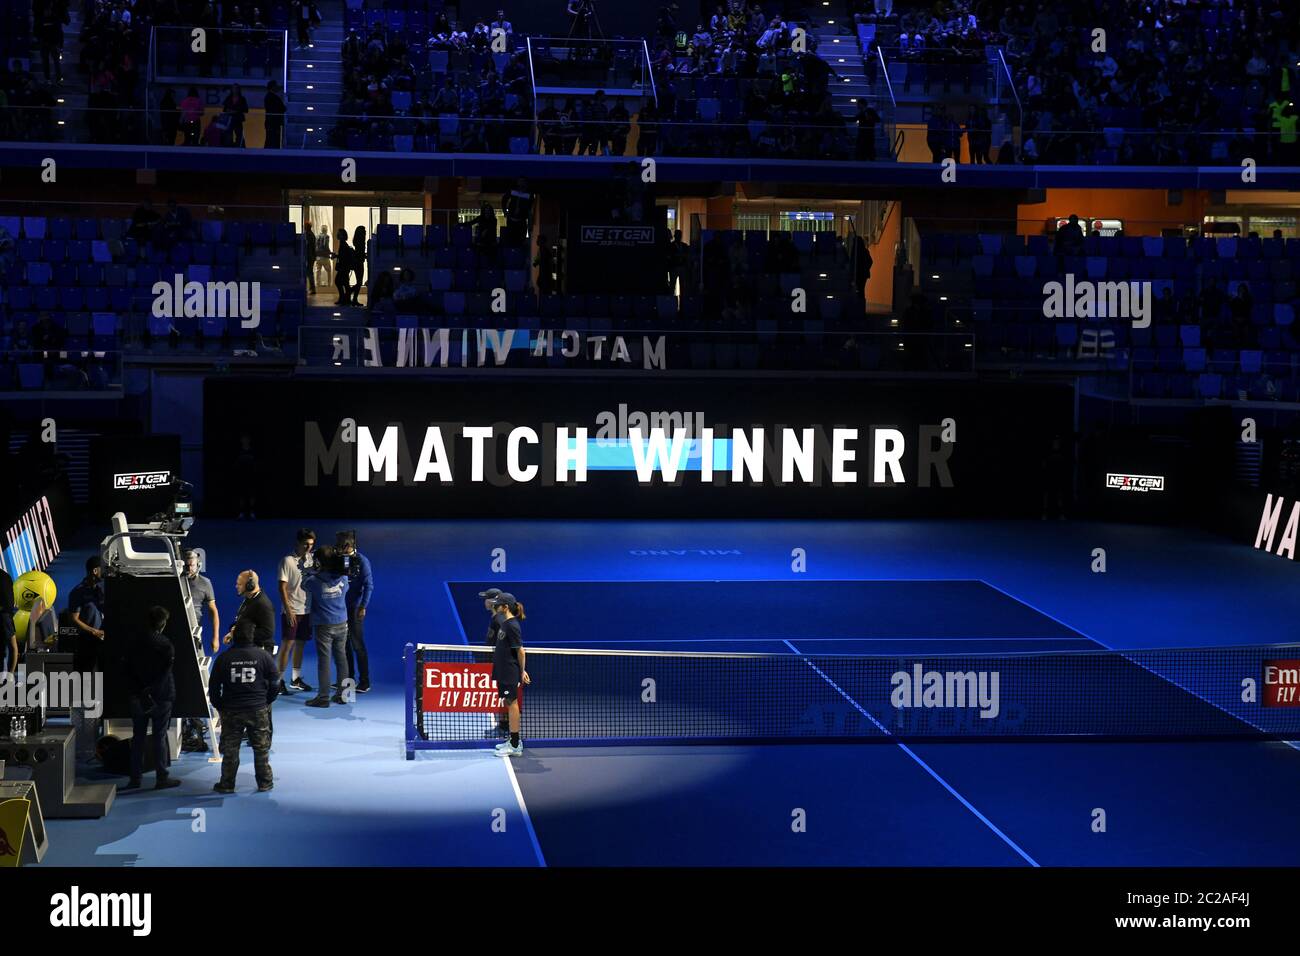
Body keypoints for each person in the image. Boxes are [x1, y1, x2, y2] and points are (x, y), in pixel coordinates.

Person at [209, 618, 279, 793]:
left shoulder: (224, 659)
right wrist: (266, 700)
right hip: (258, 709)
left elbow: (214, 687)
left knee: (231, 750)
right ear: (252, 636)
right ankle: (265, 782)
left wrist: (221, 706)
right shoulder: (264, 657)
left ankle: (227, 784)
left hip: (232, 711)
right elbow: (275, 683)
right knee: (261, 749)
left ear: (234, 637)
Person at [123, 606, 182, 791]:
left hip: (138, 696)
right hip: (161, 697)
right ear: (163, 623)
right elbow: (165, 673)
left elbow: (127, 669)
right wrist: (152, 690)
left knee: (138, 737)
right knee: (159, 736)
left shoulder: (133, 642)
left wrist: (141, 691)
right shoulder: (166, 645)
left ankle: (135, 779)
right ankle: (161, 778)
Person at [302, 546, 350, 707]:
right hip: (342, 623)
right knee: (342, 659)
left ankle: (323, 698)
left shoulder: (314, 581)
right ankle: (344, 695)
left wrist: (310, 568)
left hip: (324, 626)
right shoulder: (343, 578)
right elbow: (346, 586)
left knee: (324, 661)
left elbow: (304, 584)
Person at [277, 528, 316, 694]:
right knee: (287, 645)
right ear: (298, 543)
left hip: (307, 611)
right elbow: (282, 587)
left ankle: (295, 679)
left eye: (311, 545)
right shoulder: (287, 561)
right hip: (291, 611)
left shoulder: (312, 560)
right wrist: (288, 610)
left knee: (300, 644)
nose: (309, 548)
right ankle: (278, 682)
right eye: (306, 544)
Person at [490, 593, 529, 757]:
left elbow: (520, 651)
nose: (495, 607)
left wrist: (522, 671)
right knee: (508, 702)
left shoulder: (512, 625)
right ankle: (513, 740)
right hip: (503, 670)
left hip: (510, 671)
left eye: (498, 605)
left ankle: (514, 745)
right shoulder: (506, 624)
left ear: (505, 607)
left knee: (512, 704)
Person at [336, 530, 373, 693]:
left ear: (348, 545)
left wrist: (363, 606)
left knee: (357, 645)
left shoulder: (362, 561)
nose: (337, 547)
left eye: (340, 545)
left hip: (355, 609)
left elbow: (369, 586)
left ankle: (364, 682)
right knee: (343, 646)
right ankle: (348, 680)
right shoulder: (338, 559)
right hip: (338, 609)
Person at [478, 587, 509, 736]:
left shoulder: (500, 619)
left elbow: (507, 640)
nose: (484, 601)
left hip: (503, 663)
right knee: (501, 695)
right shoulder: (496, 618)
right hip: (497, 662)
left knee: (505, 696)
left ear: (492, 601)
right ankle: (503, 726)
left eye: (486, 598)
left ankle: (505, 728)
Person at [67, 557, 106, 670]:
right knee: (84, 678)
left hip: (102, 641)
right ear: (95, 571)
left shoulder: (100, 589)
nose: (105, 572)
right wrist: (95, 632)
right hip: (86, 642)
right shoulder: (78, 592)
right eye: (102, 569)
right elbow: (73, 619)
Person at [222, 570, 275, 654]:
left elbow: (267, 633)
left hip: (260, 653)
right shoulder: (249, 599)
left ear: (250, 585)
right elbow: (244, 622)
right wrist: (232, 633)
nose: (236, 586)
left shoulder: (263, 604)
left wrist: (237, 634)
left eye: (239, 584)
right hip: (249, 648)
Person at [180, 550, 220, 655]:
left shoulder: (205, 583)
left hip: (194, 626)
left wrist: (215, 637)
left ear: (198, 565)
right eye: (187, 565)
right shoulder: (177, 580)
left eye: (192, 565)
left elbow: (213, 611)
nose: (189, 568)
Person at [263, 79, 286, 148]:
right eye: (276, 86)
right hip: (273, 122)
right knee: (273, 140)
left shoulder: (269, 97)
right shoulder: (272, 97)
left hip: (272, 122)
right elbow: (281, 108)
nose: (277, 87)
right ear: (272, 87)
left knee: (270, 140)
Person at [334, 228, 353, 306]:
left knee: (339, 281)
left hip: (343, 267)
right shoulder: (343, 244)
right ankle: (345, 299)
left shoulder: (343, 244)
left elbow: (343, 256)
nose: (337, 235)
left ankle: (343, 298)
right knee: (345, 283)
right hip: (345, 267)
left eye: (339, 233)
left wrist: (337, 256)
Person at [350, 225, 367, 305]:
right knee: (359, 282)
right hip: (359, 263)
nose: (365, 232)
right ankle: (352, 295)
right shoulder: (361, 243)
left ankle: (353, 296)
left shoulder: (357, 242)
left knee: (359, 281)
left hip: (356, 263)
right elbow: (361, 254)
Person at [315, 224, 333, 290]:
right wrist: (330, 252)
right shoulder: (327, 236)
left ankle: (317, 285)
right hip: (325, 257)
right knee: (329, 271)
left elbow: (315, 246)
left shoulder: (317, 236)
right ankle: (329, 285)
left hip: (318, 257)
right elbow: (326, 245)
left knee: (318, 271)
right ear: (326, 230)